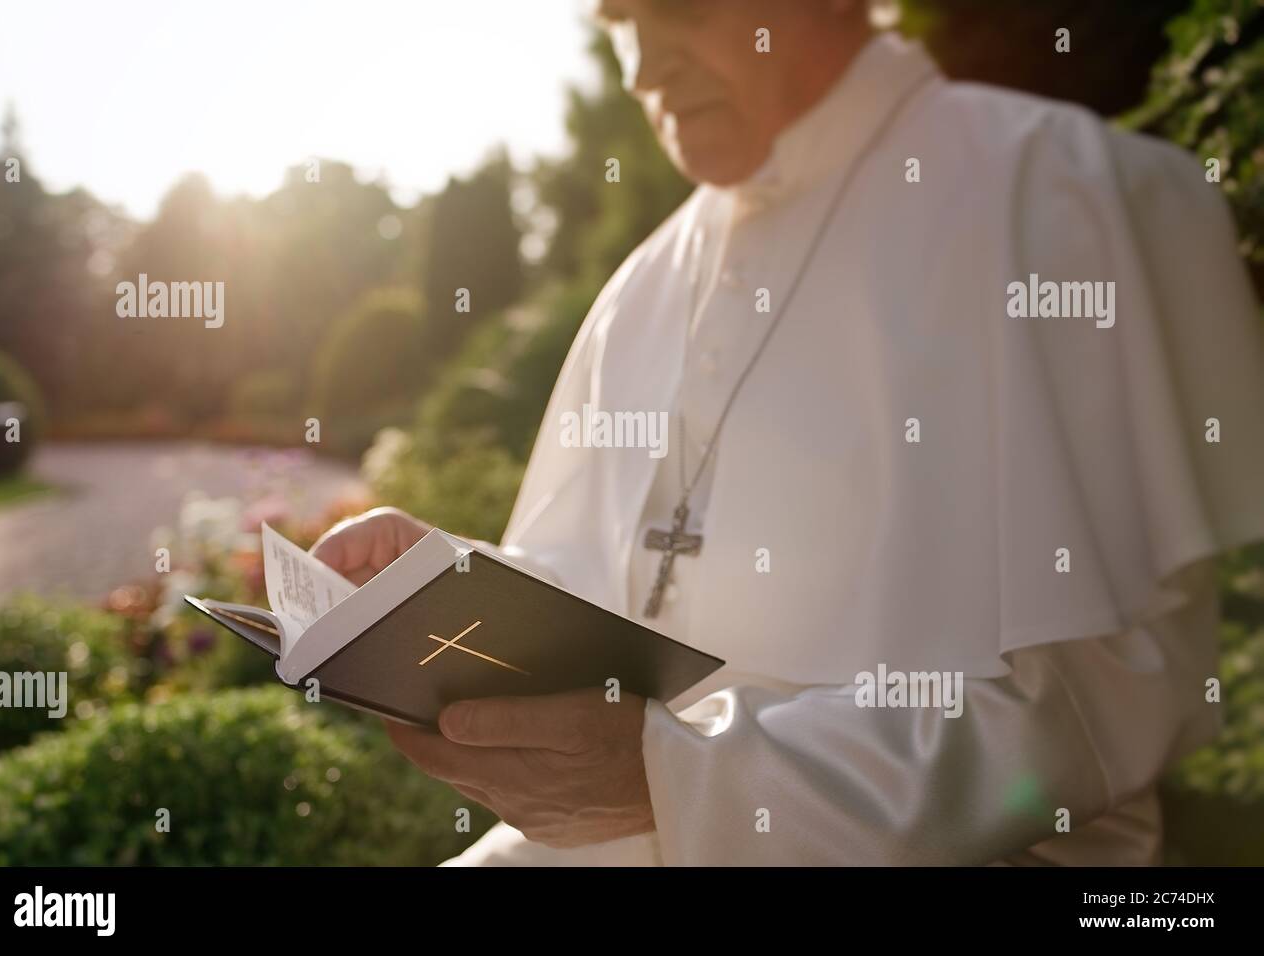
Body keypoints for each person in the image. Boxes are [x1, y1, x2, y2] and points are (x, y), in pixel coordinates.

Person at [311, 0, 1264, 864]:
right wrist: (455, 591)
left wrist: (682, 781)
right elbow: (611, 597)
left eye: (677, 13)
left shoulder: (1061, 195)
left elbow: (1104, 702)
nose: (643, 68)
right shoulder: (641, 285)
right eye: (620, 22)